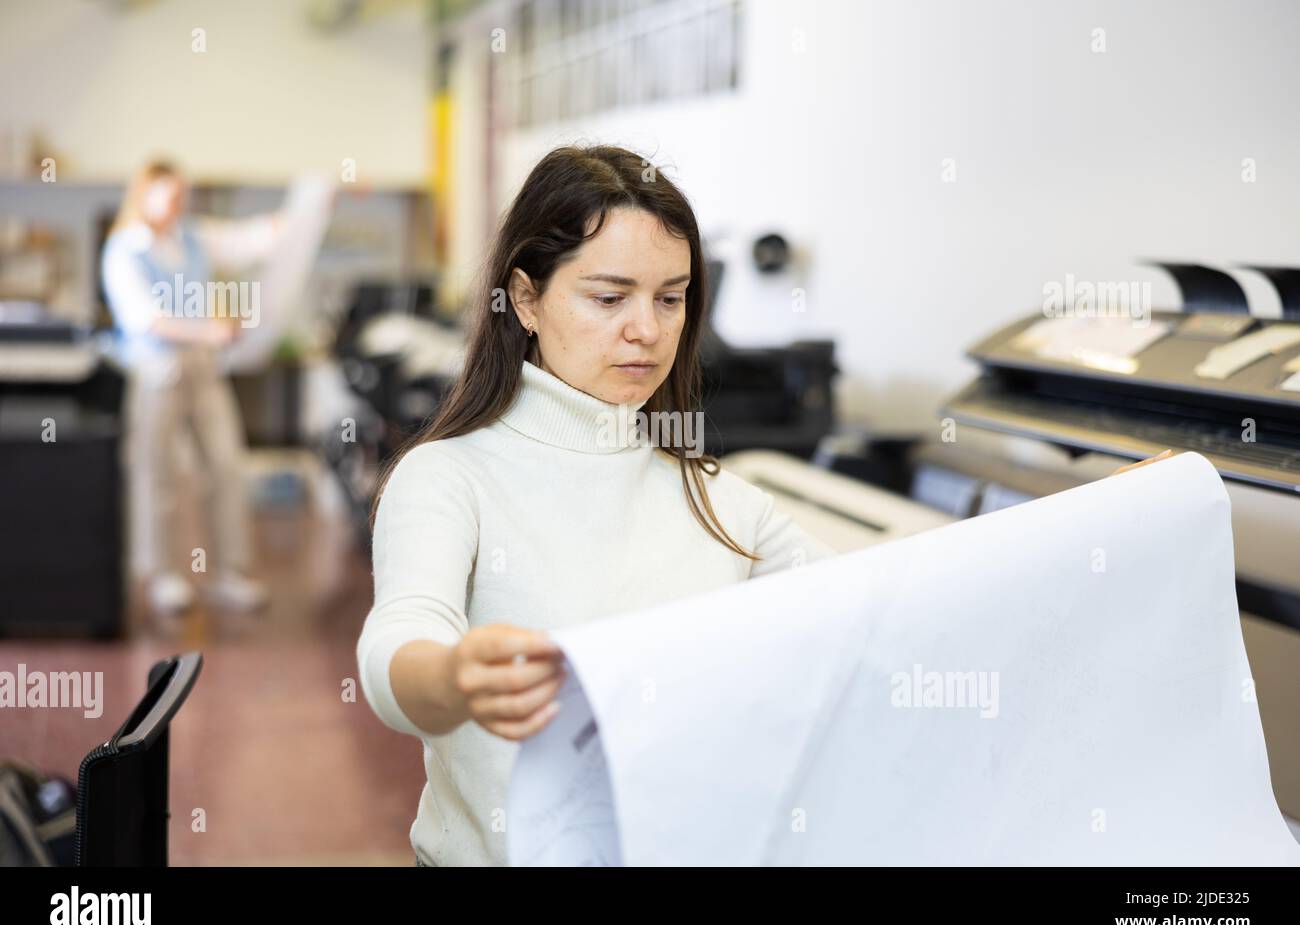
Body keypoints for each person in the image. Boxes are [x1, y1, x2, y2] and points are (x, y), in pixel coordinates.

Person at [357, 144, 1176, 868]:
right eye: (609, 298)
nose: (646, 329)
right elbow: (397, 649)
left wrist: (1108, 522)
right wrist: (457, 679)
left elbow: (897, 611)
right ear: (526, 301)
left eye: (671, 299)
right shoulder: (448, 477)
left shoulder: (720, 500)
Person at [101, 159, 282, 615]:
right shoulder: (125, 250)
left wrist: (308, 209)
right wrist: (209, 331)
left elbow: (249, 241)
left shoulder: (192, 237)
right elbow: (144, 318)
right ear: (144, 194)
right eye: (170, 193)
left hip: (203, 370)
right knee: (157, 472)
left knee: (225, 465)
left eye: (183, 193)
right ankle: (163, 575)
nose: (179, 202)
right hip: (158, 374)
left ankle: (230, 573)